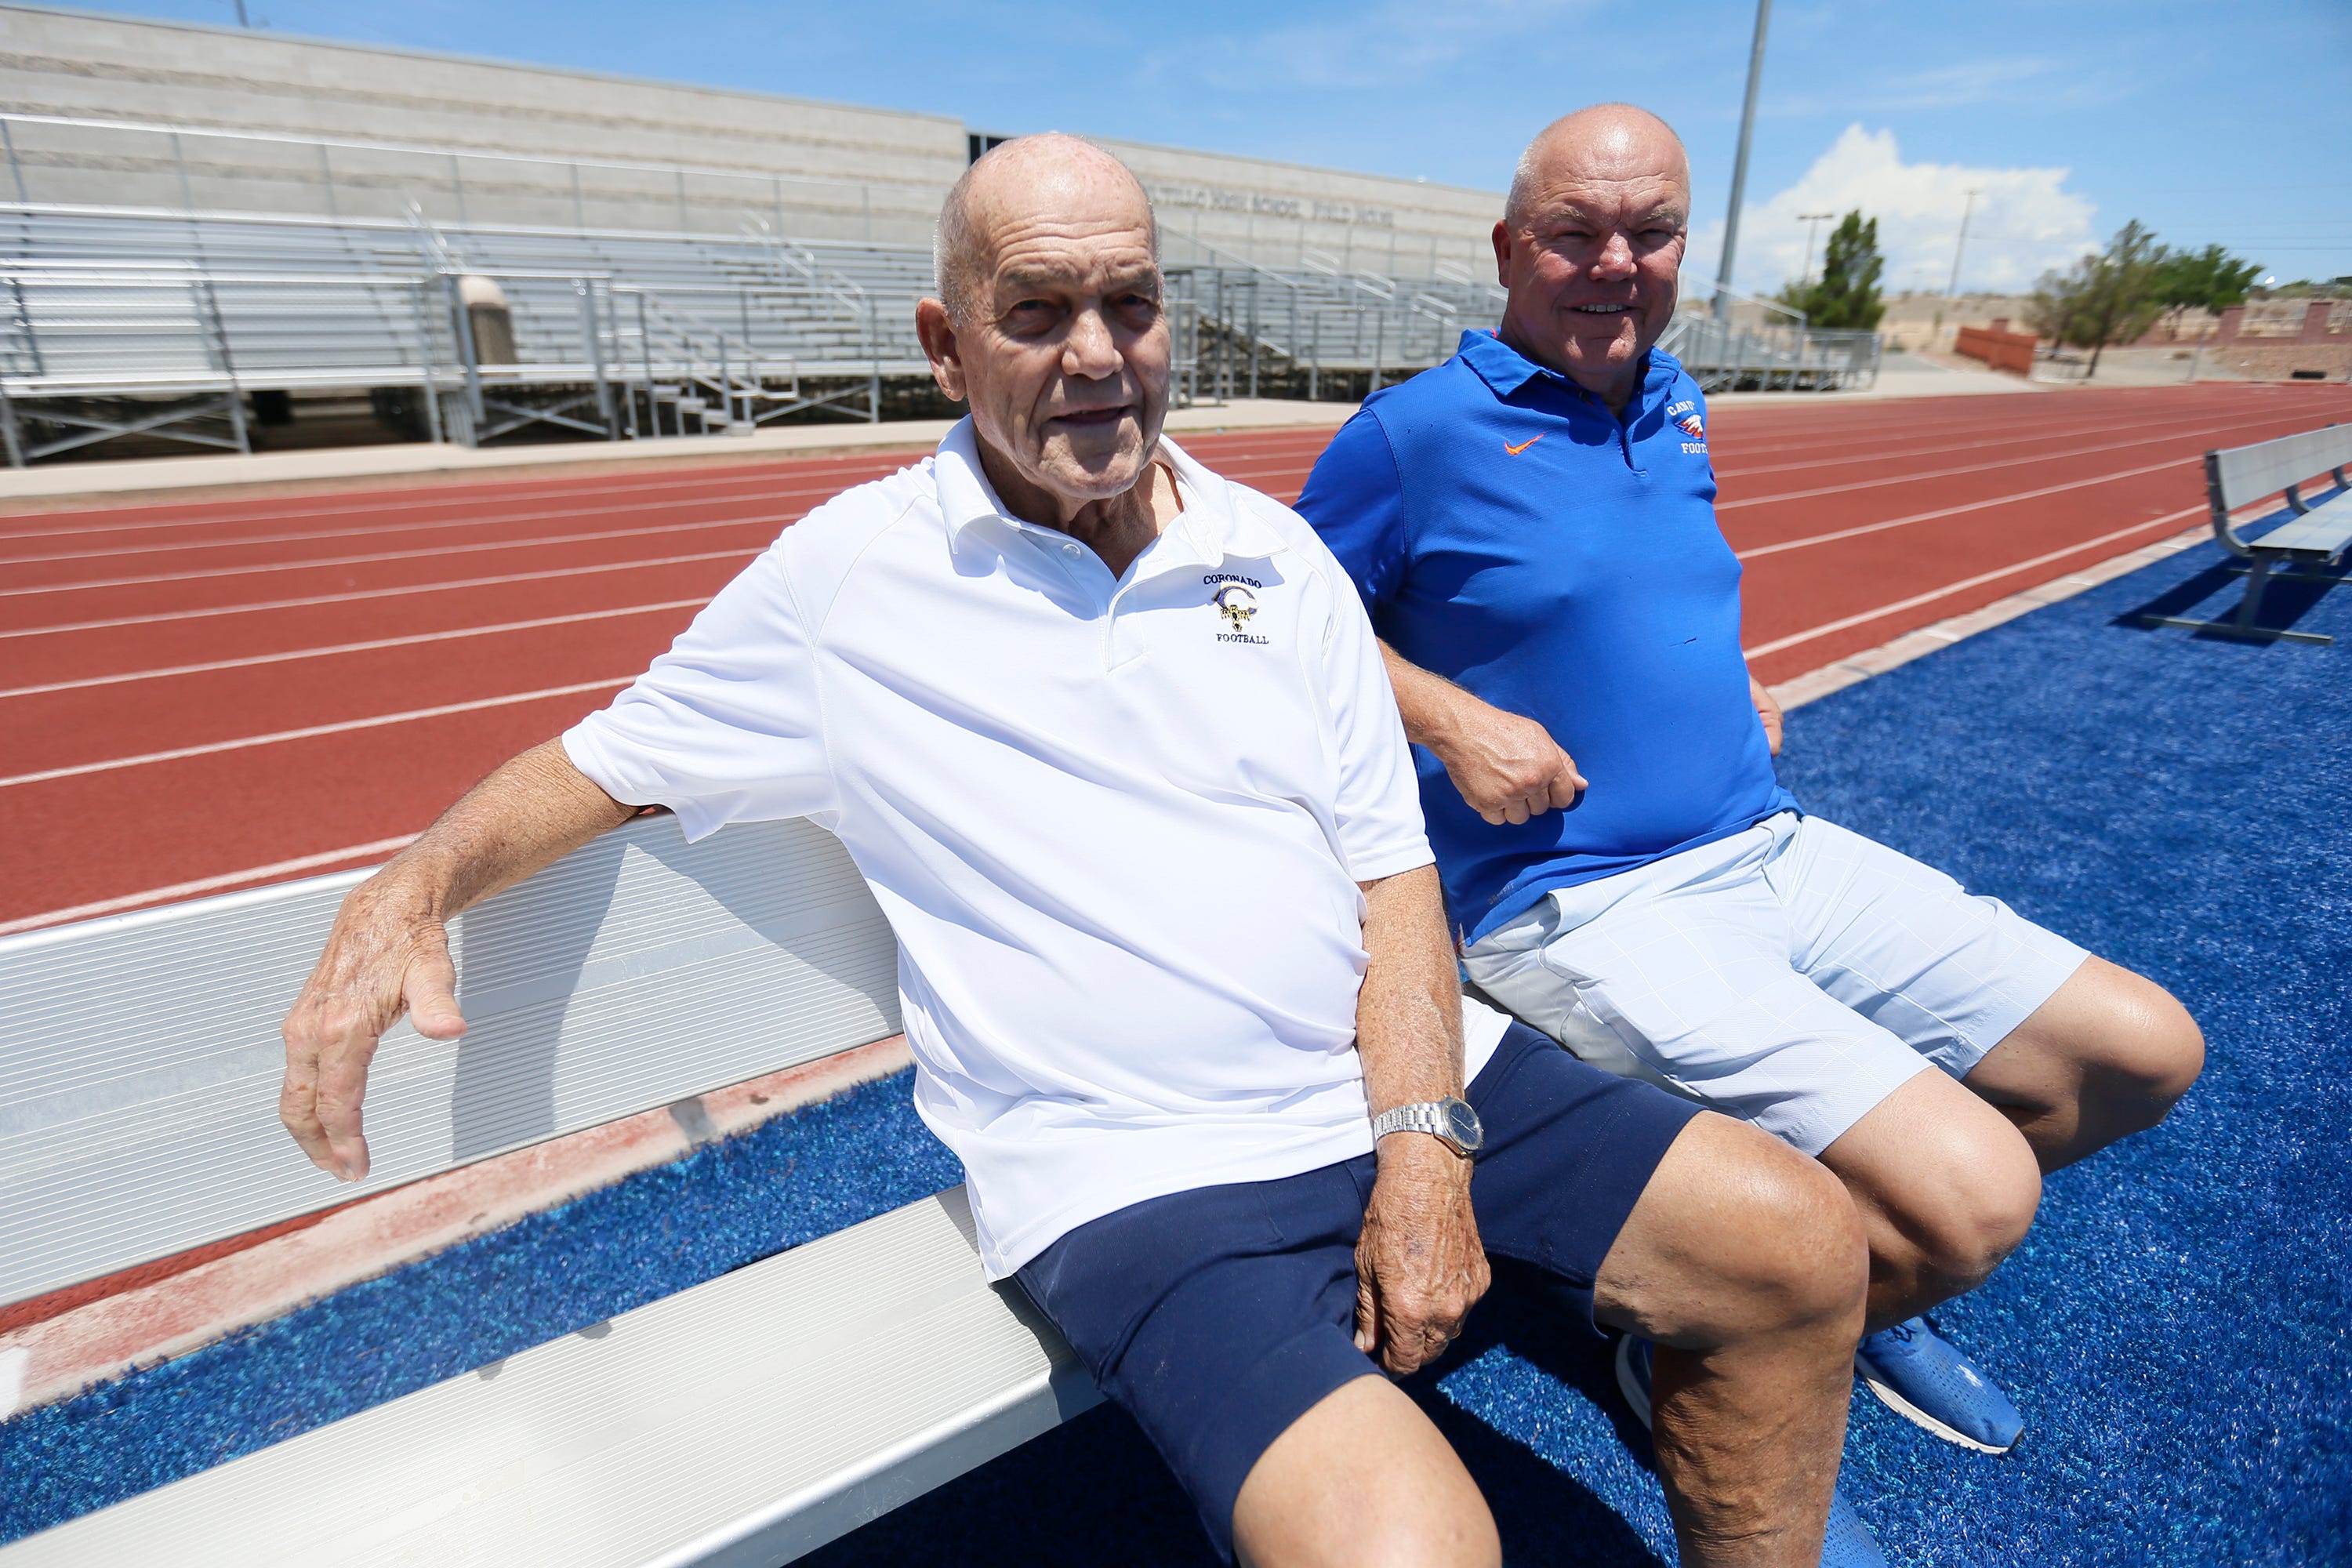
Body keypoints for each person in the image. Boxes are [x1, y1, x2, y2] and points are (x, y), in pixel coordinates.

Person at [279, 135, 1889, 1567]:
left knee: (1799, 1246)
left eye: (1131, 304)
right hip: (1135, 1168)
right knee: (1412, 1544)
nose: (1099, 356)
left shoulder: (1275, 556)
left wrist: (1419, 1140)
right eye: (1040, 312)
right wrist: (410, 882)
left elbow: (1394, 876)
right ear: (946, 340)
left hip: (1392, 1075)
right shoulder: (846, 581)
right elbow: (595, 767)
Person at [1294, 103, 2206, 1461]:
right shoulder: (1410, 437)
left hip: (1767, 843)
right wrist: (1451, 718)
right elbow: (1270, 626)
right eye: (1575, 233)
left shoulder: (1676, 397)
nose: (1615, 262)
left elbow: (1642, 589)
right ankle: (1695, 1351)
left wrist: (1731, 680)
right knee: (1975, 1201)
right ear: (1507, 249)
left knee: (2142, 1056)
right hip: (1576, 898)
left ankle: (1850, 1272)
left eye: (1650, 232)